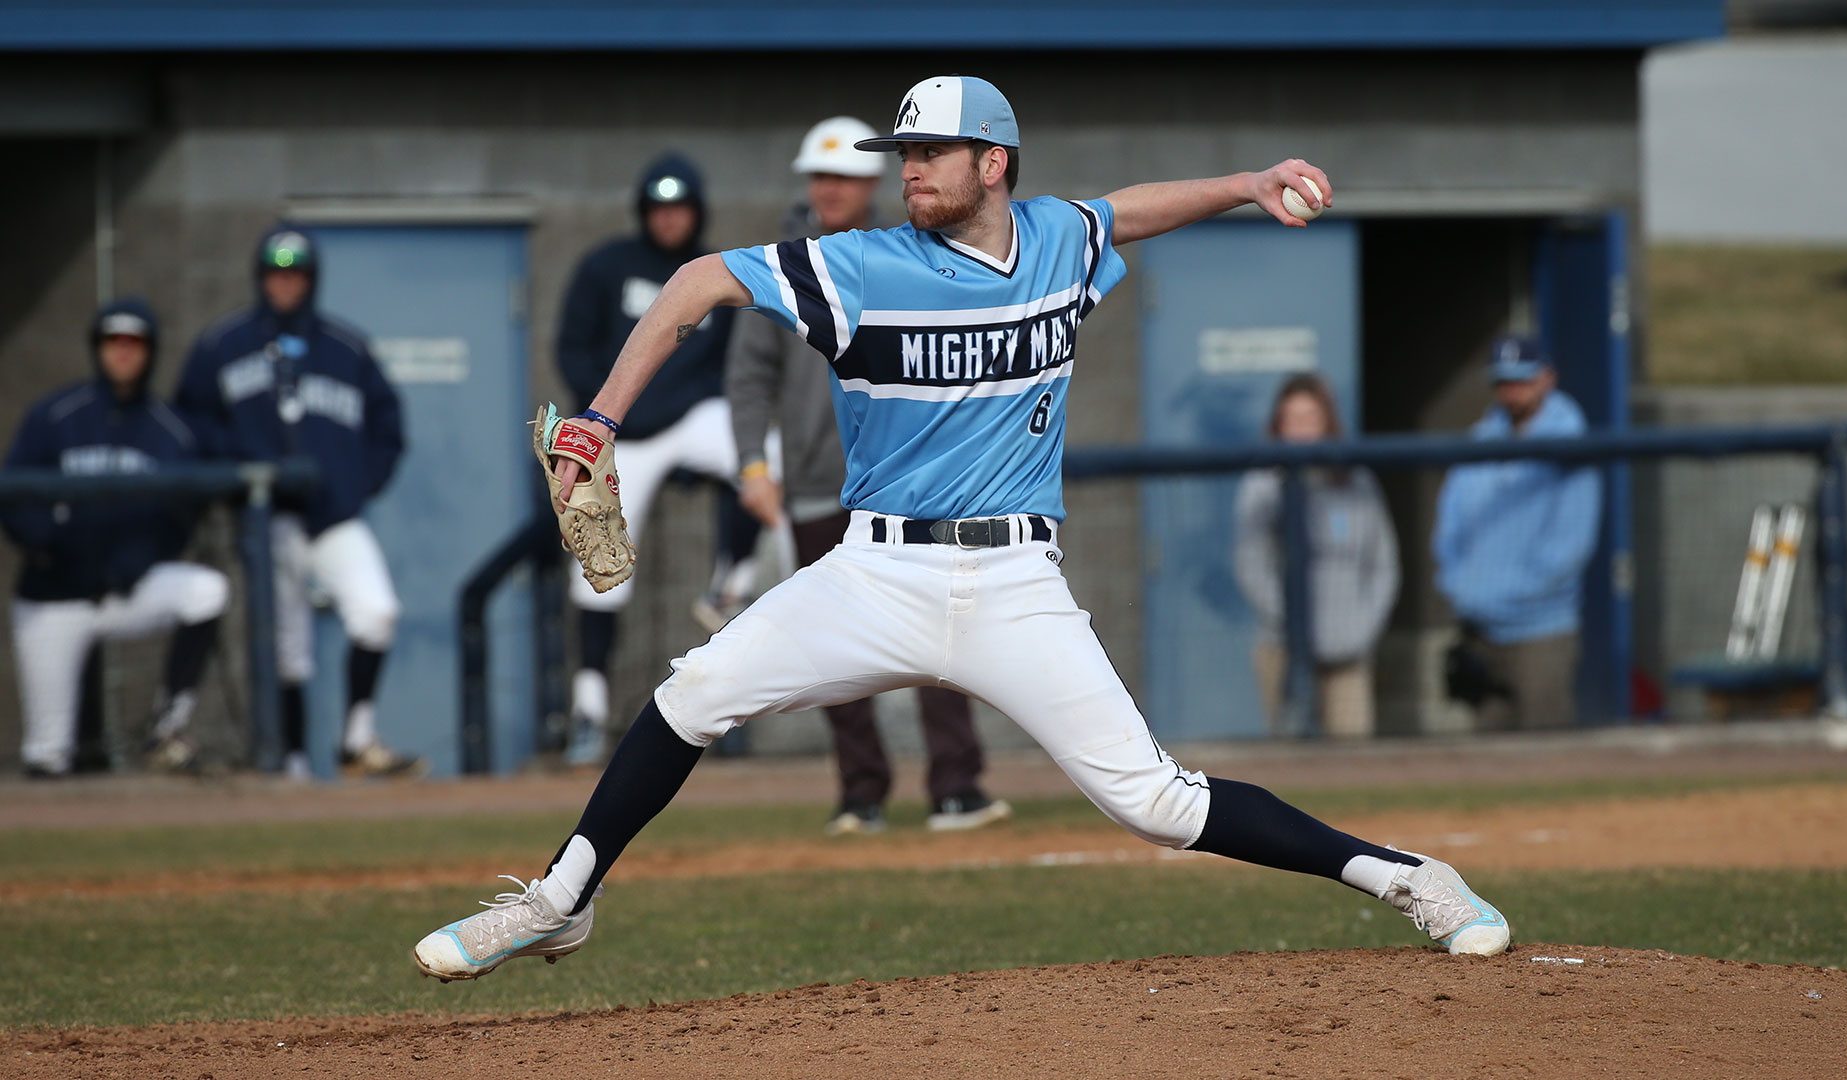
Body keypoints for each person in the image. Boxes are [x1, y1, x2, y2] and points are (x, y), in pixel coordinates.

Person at [413, 75, 1509, 982]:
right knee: (692, 695)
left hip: (1017, 582)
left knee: (1158, 803)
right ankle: (561, 898)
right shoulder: (856, 267)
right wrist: (602, 415)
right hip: (873, 573)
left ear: (995, 162)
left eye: (933, 151)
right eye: (905, 154)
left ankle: (1410, 876)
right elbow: (699, 281)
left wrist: (1246, 182)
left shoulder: (1057, 244)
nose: (911, 170)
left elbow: (1125, 209)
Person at [728, 115, 1012, 835]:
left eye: (845, 177)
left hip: (904, 486)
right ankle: (862, 793)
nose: (830, 189)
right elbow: (748, 377)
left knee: (943, 645)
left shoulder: (909, 250)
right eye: (821, 176)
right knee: (834, 655)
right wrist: (753, 464)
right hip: (820, 484)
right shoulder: (781, 260)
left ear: (871, 182)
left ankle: (957, 787)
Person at [176, 225, 420, 778]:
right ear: (261, 277)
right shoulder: (224, 344)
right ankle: (291, 759)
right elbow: (189, 420)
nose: (285, 284)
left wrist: (360, 483)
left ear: (311, 279)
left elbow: (388, 425)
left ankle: (357, 740)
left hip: (333, 515)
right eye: (276, 273)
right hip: (266, 522)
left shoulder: (346, 347)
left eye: (296, 274)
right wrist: (238, 470)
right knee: (289, 648)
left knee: (377, 612)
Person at [555, 153, 763, 766]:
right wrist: (601, 414)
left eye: (681, 207)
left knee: (759, 454)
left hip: (692, 418)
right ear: (644, 211)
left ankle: (732, 581)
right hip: (622, 432)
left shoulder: (713, 270)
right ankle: (588, 707)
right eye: (660, 208)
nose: (670, 219)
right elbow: (572, 349)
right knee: (595, 561)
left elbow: (733, 362)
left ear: (696, 213)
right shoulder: (606, 267)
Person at [2, 298, 228, 777]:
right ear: (97, 348)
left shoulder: (171, 430)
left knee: (207, 592)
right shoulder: (56, 415)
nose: (123, 354)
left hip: (126, 590)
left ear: (150, 351)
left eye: (134, 344)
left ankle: (167, 728)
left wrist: (141, 556)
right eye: (114, 343)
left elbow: (183, 515)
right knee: (47, 755)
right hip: (55, 595)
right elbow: (13, 496)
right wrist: (48, 546)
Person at [1433, 335, 1602, 731]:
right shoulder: (1481, 437)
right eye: (1503, 381)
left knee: (1546, 761)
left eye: (1522, 380)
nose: (1511, 391)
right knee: (1485, 763)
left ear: (1547, 379)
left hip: (1540, 632)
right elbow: (1449, 527)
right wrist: (1461, 588)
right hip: (1478, 630)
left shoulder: (1570, 440)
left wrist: (1499, 596)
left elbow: (1571, 545)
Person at [1232, 374, 1398, 739]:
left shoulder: (1357, 480)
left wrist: (1362, 627)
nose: (1302, 430)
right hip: (1284, 647)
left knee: (1352, 759)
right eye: (1292, 420)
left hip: (1348, 649)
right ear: (1278, 425)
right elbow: (1251, 566)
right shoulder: (1261, 483)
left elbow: (1383, 565)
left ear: (1327, 422)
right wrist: (1295, 623)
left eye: (1311, 419)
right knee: (1292, 764)